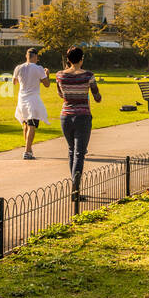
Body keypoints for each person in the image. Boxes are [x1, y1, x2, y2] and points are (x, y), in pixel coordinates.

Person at [56, 46, 101, 201]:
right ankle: (76, 190)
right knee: (79, 154)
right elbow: (97, 96)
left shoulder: (60, 75)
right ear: (82, 59)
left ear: (68, 59)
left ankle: (75, 187)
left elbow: (61, 94)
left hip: (66, 117)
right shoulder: (89, 75)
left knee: (71, 151)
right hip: (83, 116)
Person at [13, 48, 53, 160]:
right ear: (34, 56)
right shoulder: (39, 68)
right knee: (32, 125)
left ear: (27, 56)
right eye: (37, 57)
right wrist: (47, 74)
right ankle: (27, 151)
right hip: (33, 100)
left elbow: (14, 82)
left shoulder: (18, 68)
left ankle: (28, 149)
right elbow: (47, 84)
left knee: (25, 124)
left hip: (21, 99)